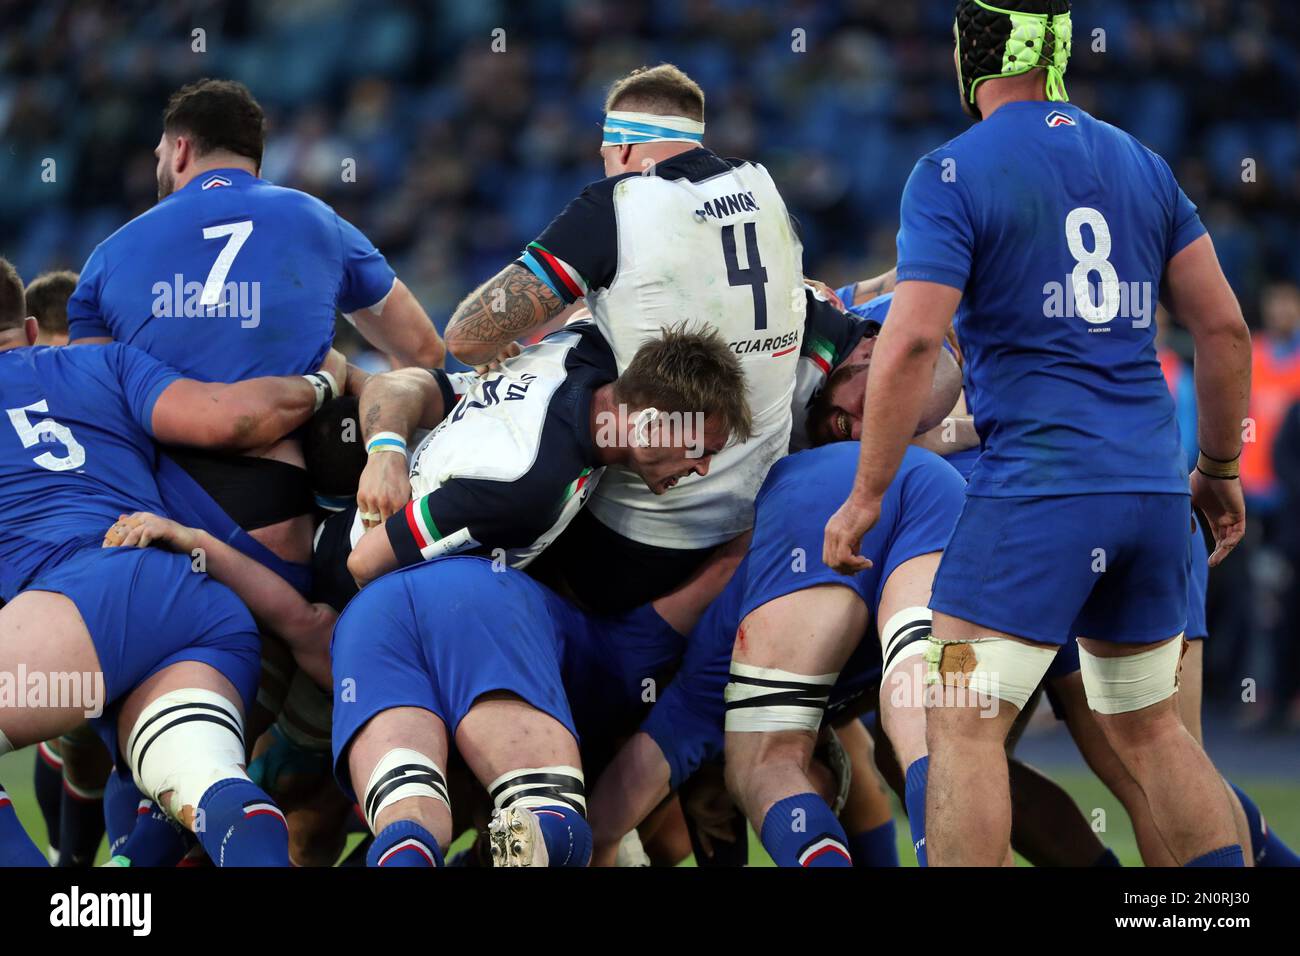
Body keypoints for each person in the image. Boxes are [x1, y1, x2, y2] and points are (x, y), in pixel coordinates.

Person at [823, 0, 1253, 867]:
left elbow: (908, 340)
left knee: (964, 727)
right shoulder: (1141, 161)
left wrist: (867, 492)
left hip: (1038, 491)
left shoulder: (950, 171)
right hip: (1152, 488)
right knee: (1152, 733)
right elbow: (1225, 331)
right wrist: (1218, 465)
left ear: (970, 54)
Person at [0, 260, 346, 866]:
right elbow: (228, 415)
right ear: (30, 332)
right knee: (206, 786)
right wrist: (326, 380)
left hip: (81, 595)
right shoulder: (107, 361)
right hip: (196, 592)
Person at [444, 63, 806, 612]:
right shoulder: (763, 186)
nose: (605, 165)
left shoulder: (619, 204)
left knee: (514, 474)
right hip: (758, 504)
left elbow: (467, 338)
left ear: (629, 148)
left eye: (607, 154)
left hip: (643, 531)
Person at [65, 78, 443, 573]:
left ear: (179, 150)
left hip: (151, 518)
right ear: (256, 164)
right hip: (280, 511)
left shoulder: (106, 257)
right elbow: (423, 351)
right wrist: (380, 438)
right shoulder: (318, 221)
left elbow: (93, 415)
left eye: (160, 154)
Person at [346, 322, 751, 586]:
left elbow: (397, 386)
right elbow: (365, 564)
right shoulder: (526, 485)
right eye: (697, 447)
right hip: (352, 576)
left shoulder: (580, 345)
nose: (703, 467)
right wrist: (385, 453)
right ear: (648, 424)